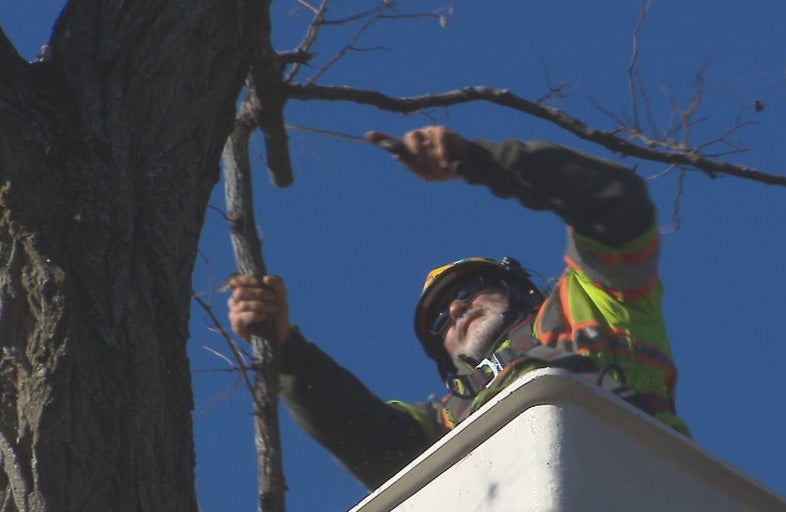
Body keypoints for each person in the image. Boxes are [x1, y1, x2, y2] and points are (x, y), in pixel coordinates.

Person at [227, 126, 688, 489]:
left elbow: (616, 202)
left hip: (651, 487)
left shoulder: (596, 301)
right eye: (441, 321)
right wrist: (286, 349)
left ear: (524, 292)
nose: (458, 308)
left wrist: (481, 160)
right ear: (444, 359)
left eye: (474, 287)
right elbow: (366, 434)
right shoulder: (444, 423)